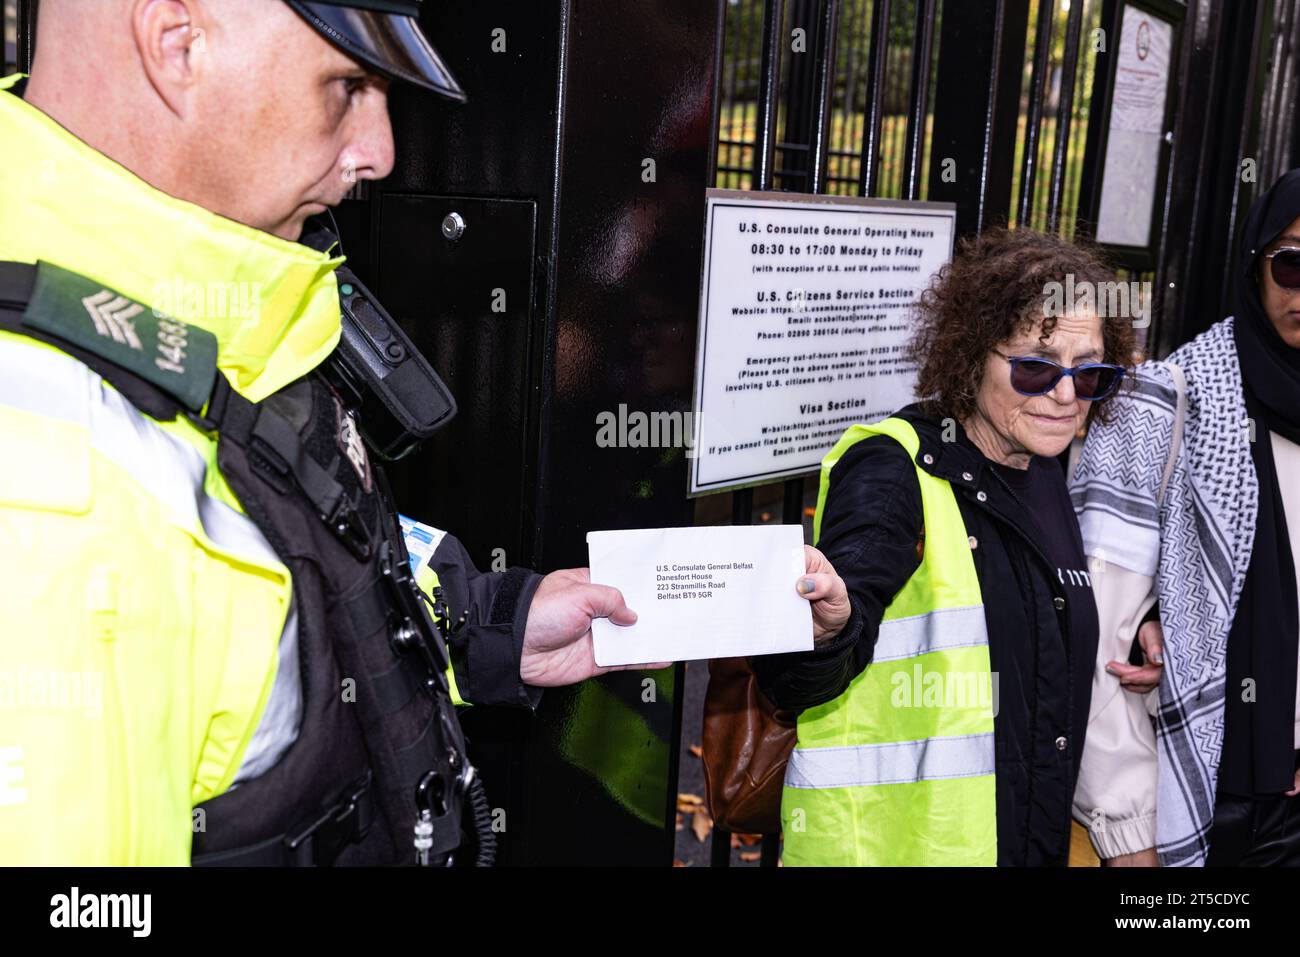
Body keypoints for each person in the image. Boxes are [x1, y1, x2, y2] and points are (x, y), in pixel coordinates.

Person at [0, 0, 850, 866]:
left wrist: (493, 626)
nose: (381, 150)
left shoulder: (212, 307)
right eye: (347, 85)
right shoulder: (45, 482)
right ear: (176, 44)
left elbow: (288, 587)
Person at [753, 227, 1135, 865]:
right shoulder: (894, 468)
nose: (1066, 395)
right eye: (1036, 367)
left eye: (1089, 374)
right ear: (968, 357)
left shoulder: (1040, 469)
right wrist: (829, 627)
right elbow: (799, 677)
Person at [1072, 169, 1300, 867]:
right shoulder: (1164, 403)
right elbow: (1099, 635)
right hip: (1195, 803)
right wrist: (1126, 832)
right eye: (1292, 263)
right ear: (1255, 264)